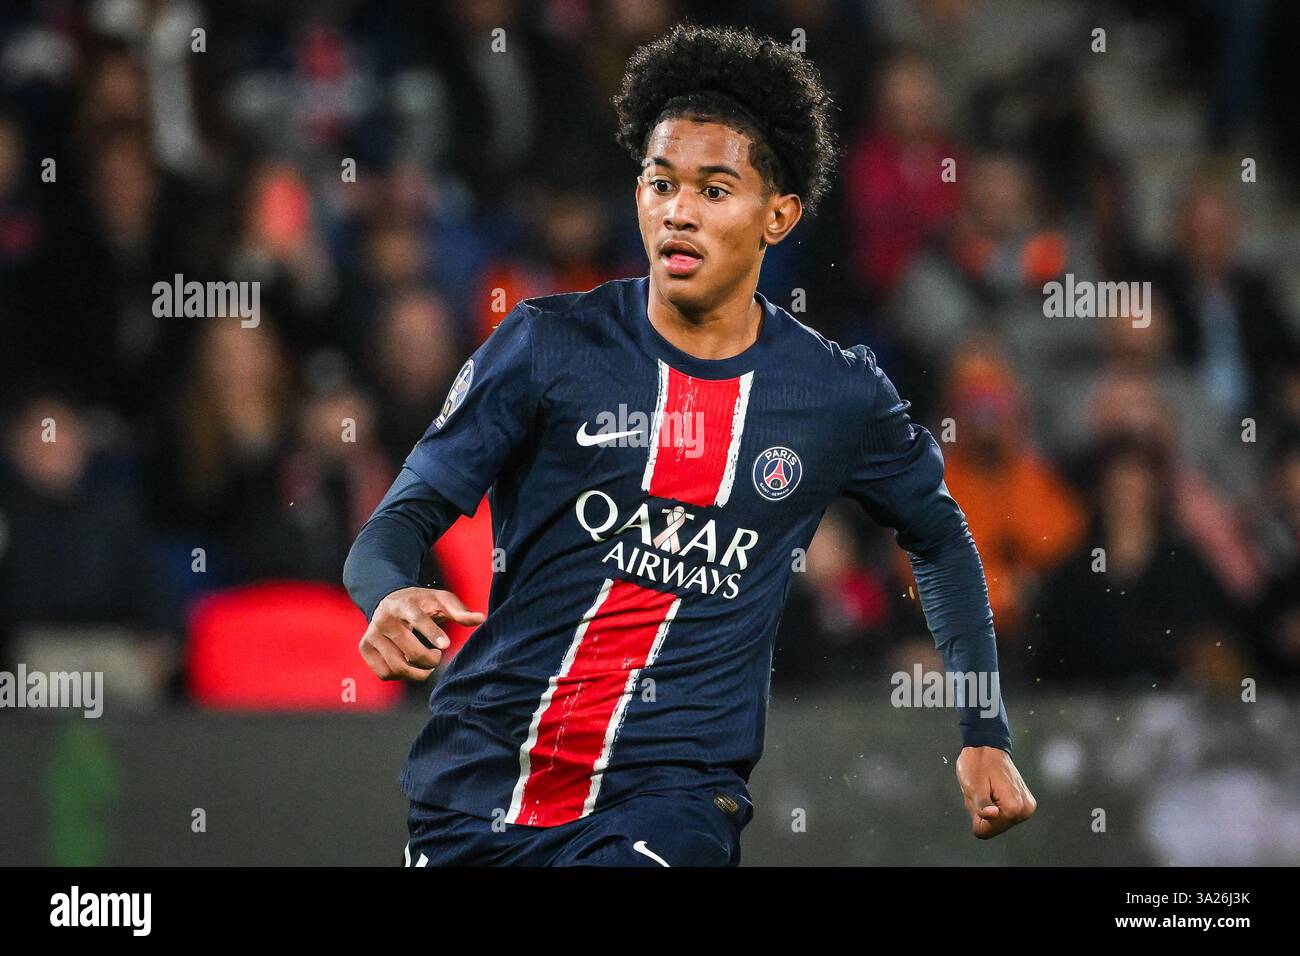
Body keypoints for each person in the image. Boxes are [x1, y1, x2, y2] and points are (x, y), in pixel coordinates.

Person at [343, 23, 1035, 867]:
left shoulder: (832, 396)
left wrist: (982, 732)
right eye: (661, 182)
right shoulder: (546, 346)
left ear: (778, 215)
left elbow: (940, 538)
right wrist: (386, 593)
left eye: (714, 190)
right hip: (481, 784)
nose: (678, 210)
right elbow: (400, 519)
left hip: (670, 798)